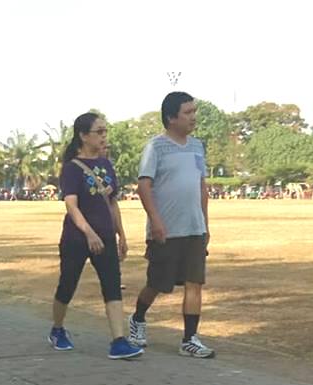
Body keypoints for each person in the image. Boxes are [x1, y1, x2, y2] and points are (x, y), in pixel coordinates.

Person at [128, 92, 215, 358]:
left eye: (194, 111)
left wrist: (205, 223)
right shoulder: (155, 147)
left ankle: (189, 339)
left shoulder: (197, 147)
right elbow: (144, 186)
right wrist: (156, 221)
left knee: (194, 282)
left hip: (194, 228)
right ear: (171, 117)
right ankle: (138, 319)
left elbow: (201, 185)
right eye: (188, 112)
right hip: (166, 230)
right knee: (157, 283)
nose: (193, 117)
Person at [49, 112, 141, 360]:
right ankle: (57, 328)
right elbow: (71, 206)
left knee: (112, 286)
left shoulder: (105, 165)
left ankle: (119, 341)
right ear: (83, 135)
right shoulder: (71, 168)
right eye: (99, 132)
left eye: (105, 131)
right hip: (77, 238)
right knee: (67, 285)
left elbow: (112, 202)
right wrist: (89, 233)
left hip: (106, 236)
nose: (104, 136)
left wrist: (121, 234)